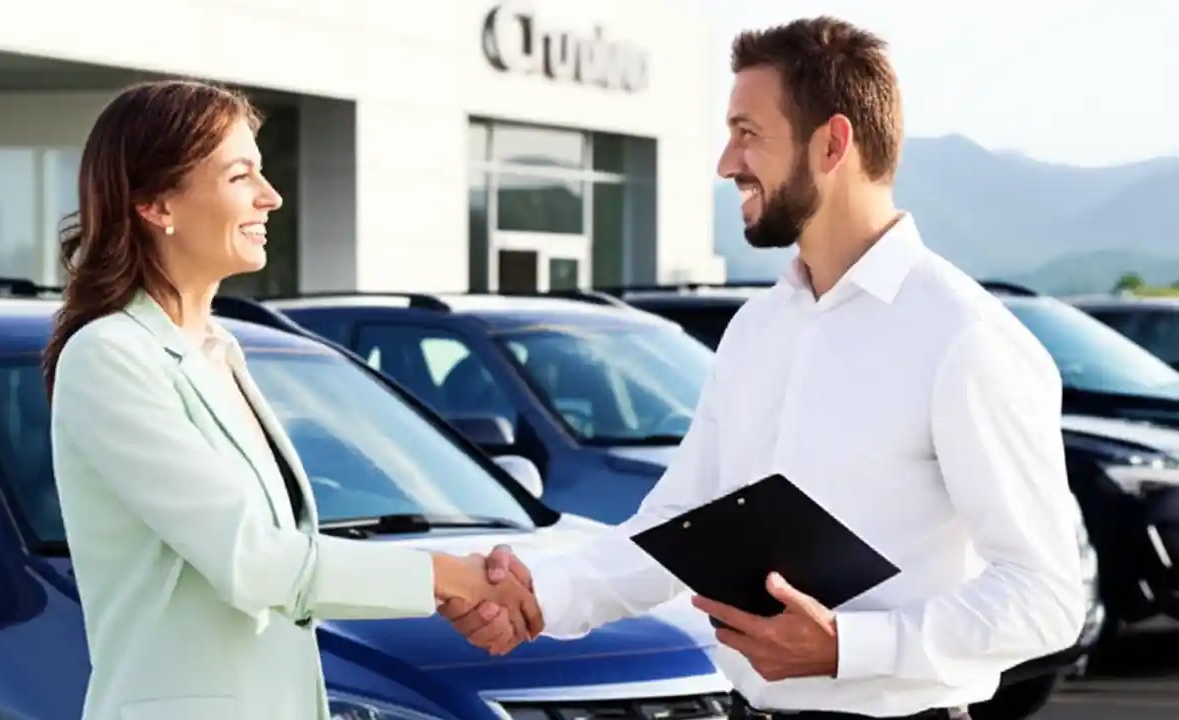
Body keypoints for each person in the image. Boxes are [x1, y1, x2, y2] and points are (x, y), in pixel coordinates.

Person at [440, 16, 1086, 720]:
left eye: (747, 133)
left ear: (832, 142)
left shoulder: (965, 337)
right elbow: (680, 525)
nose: (726, 162)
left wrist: (848, 646)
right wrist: (539, 592)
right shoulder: (757, 329)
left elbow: (1046, 596)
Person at [43, 79, 539, 720]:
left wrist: (452, 578)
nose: (270, 196)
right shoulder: (110, 356)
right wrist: (447, 576)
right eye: (239, 174)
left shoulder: (219, 351)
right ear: (158, 204)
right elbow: (249, 560)